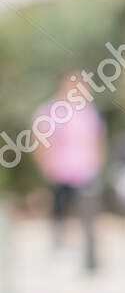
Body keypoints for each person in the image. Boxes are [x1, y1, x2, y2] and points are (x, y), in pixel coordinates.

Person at [31, 72, 106, 252]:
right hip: (60, 170)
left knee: (88, 211)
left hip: (85, 170)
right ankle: (59, 245)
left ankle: (89, 252)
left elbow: (98, 137)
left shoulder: (88, 110)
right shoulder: (49, 110)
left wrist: (98, 162)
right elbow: (39, 139)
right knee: (59, 210)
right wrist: (45, 165)